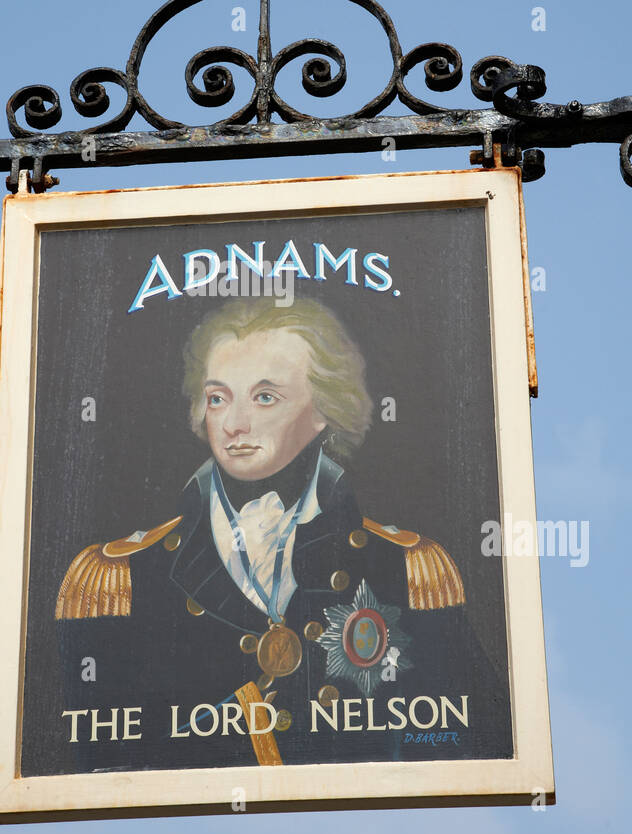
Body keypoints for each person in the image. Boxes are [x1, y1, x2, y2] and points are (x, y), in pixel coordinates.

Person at [54, 298, 509, 772]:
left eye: (265, 397)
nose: (233, 424)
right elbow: (88, 758)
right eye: (217, 398)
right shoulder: (116, 579)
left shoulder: (408, 569)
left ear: (324, 411)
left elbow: (467, 741)